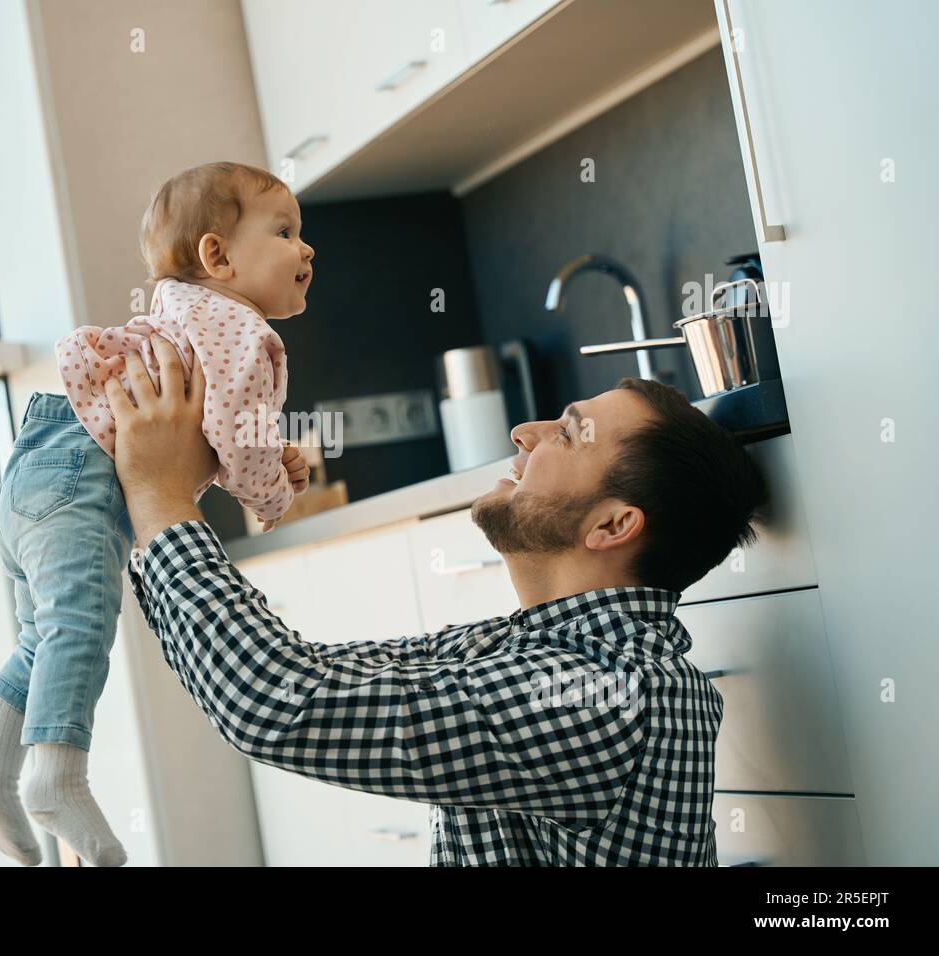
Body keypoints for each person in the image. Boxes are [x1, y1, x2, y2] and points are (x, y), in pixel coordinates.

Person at [107, 336, 770, 865]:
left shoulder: (605, 699)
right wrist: (159, 503)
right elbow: (300, 678)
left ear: (611, 527)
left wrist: (158, 497)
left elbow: (277, 705)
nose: (525, 432)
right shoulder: (519, 650)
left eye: (568, 435)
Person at [0, 162, 313, 866]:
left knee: (44, 635)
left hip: (41, 461)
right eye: (285, 231)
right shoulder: (245, 333)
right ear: (217, 255)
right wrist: (273, 492)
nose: (306, 249)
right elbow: (237, 445)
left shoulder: (183, 306)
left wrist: (274, 459)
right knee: (81, 623)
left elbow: (223, 431)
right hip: (82, 473)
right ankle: (56, 778)